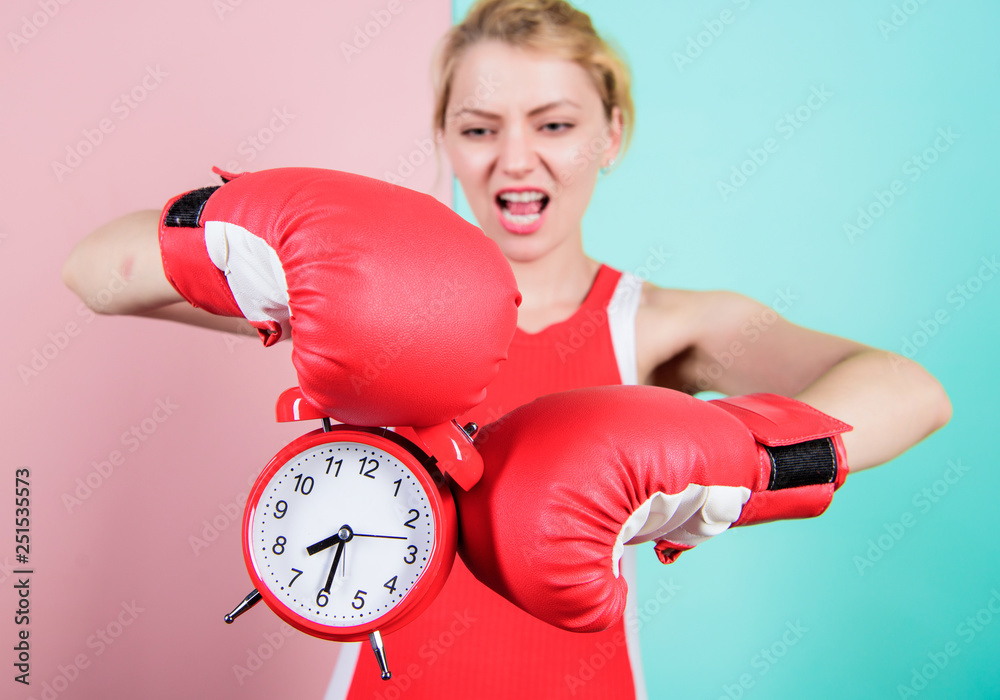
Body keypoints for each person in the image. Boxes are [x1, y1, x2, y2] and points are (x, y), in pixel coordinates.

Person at [62, 1, 951, 697]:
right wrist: (250, 232)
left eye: (554, 124)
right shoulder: (359, 306)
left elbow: (911, 389)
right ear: (444, 141)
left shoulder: (665, 324)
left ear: (613, 135)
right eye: (480, 128)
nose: (514, 159)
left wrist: (735, 464)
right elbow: (95, 270)